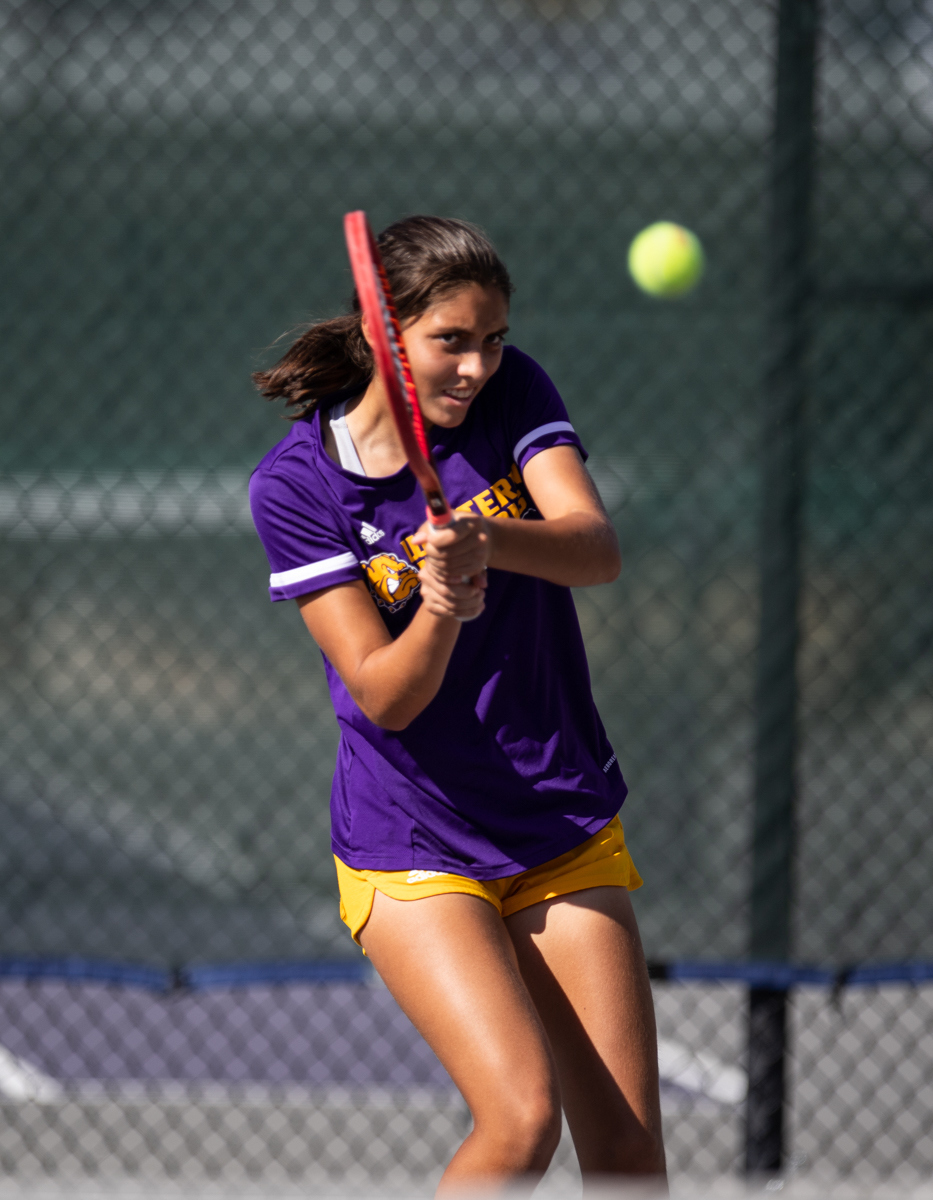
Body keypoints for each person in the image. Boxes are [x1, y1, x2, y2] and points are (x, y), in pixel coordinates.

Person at [248, 215, 666, 1196]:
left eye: (493, 339)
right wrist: (440, 607)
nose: (478, 365)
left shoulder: (515, 396)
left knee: (628, 1158)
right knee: (521, 1119)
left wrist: (489, 543)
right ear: (382, 332)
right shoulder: (298, 488)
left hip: (556, 818)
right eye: (451, 340)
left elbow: (593, 547)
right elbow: (386, 697)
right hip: (413, 840)